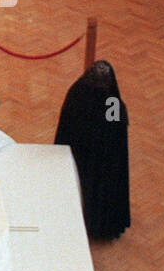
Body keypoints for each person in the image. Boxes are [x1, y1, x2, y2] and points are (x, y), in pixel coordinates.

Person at [54, 59, 130, 241]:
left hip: (85, 158)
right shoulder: (111, 99)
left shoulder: (78, 92)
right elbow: (115, 131)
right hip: (99, 161)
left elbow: (68, 128)